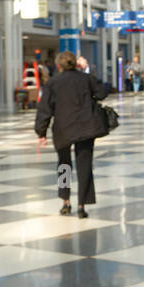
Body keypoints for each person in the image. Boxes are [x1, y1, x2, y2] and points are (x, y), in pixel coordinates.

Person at [35, 50, 111, 218]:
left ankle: (65, 201)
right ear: (76, 64)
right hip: (85, 127)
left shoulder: (53, 83)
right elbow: (102, 93)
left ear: (58, 65)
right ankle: (82, 205)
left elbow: (45, 109)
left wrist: (41, 132)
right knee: (84, 166)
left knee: (64, 165)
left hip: (63, 129)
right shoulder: (86, 78)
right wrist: (87, 72)